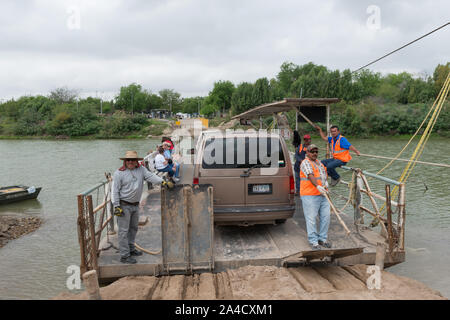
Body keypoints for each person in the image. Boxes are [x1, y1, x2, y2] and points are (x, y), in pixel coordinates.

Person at [112, 150, 172, 264]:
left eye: (132, 160)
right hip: (123, 205)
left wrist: (163, 182)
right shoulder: (119, 173)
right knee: (123, 231)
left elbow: (151, 176)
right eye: (128, 160)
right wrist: (116, 206)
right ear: (124, 161)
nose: (130, 162)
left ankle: (131, 248)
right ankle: (124, 255)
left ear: (136, 161)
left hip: (135, 205)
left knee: (133, 228)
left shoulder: (141, 170)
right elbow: (114, 191)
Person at [300, 144, 332, 250]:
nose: (315, 153)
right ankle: (313, 241)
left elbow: (323, 175)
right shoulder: (305, 163)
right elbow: (310, 175)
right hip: (310, 195)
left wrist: (325, 183)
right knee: (311, 219)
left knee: (326, 217)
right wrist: (317, 186)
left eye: (316, 151)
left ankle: (322, 238)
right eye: (312, 151)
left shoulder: (319, 163)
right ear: (307, 153)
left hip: (323, 194)